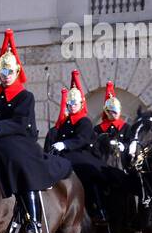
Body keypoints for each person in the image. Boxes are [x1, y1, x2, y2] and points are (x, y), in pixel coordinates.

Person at [0, 29, 71, 233]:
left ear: (17, 72)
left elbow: (20, 123)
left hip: (17, 140)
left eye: (10, 72)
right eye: (3, 72)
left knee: (19, 162)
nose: (6, 76)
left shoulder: (25, 96)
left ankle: (32, 219)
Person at [46, 70, 107, 219]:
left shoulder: (84, 121)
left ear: (81, 104)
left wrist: (65, 145)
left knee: (86, 173)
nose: (72, 106)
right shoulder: (66, 122)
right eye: (70, 103)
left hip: (82, 153)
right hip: (66, 154)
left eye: (75, 103)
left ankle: (97, 208)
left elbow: (82, 140)